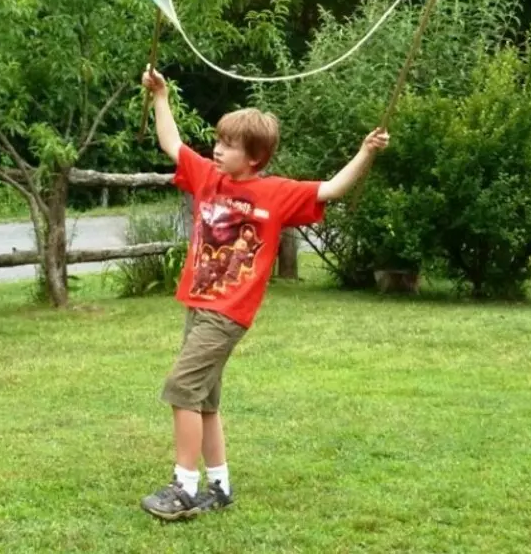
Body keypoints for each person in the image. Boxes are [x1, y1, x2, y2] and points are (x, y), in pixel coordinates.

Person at [138, 66, 389, 521]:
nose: (216, 149)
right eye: (217, 140)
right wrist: (160, 96)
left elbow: (331, 188)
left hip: (228, 312)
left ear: (254, 157)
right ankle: (219, 486)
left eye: (228, 145)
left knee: (181, 388)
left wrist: (365, 152)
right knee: (205, 400)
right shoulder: (208, 178)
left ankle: (184, 487)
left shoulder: (275, 193)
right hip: (199, 304)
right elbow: (172, 144)